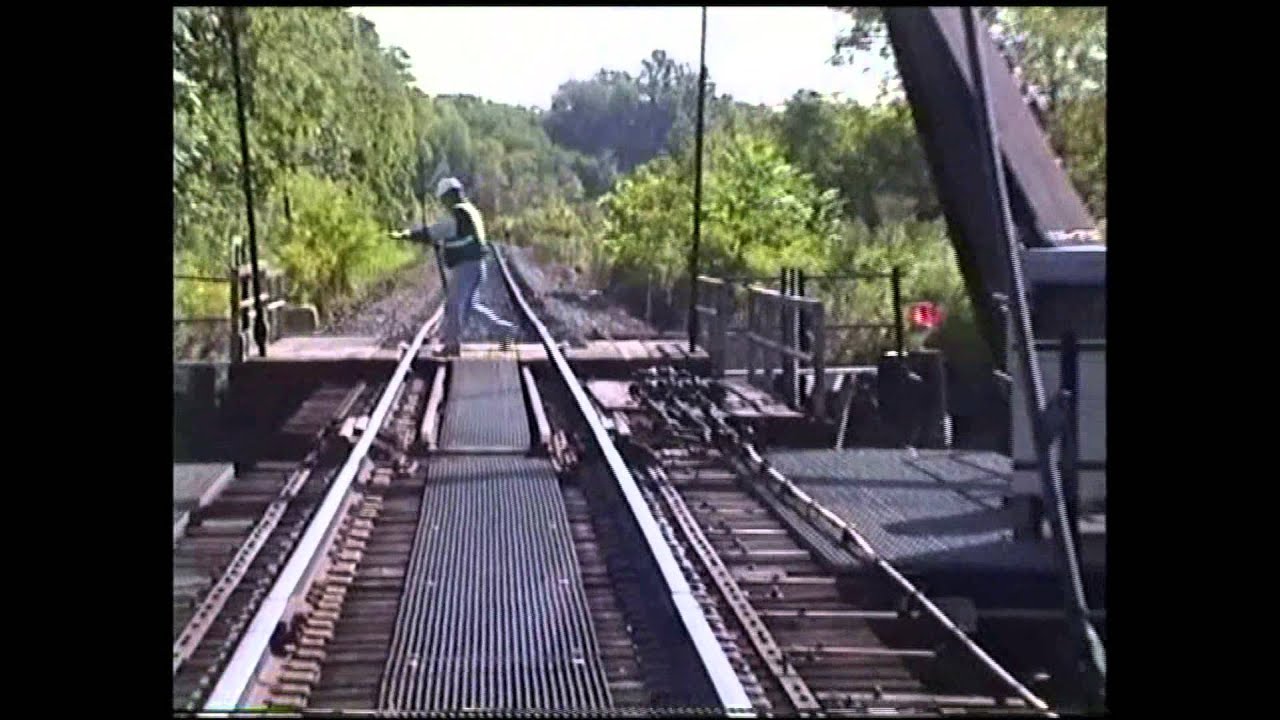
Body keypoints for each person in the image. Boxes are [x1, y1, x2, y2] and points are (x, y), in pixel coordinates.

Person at [393, 177, 517, 356]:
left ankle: (451, 346)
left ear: (449, 196)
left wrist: (406, 234)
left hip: (466, 266)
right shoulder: (471, 210)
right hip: (476, 265)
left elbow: (435, 232)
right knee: (470, 306)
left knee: (453, 305)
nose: (443, 203)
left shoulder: (458, 213)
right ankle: (505, 330)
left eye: (443, 199)